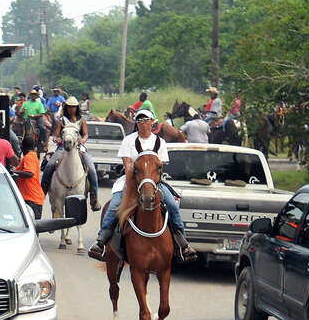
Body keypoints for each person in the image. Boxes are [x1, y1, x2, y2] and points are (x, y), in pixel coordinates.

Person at [87, 108, 197, 263]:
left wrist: (149, 180)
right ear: (136, 123)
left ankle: (183, 243)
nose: (143, 124)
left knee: (172, 204)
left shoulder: (160, 142)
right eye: (140, 121)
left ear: (152, 123)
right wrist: (137, 181)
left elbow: (160, 165)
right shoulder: (128, 140)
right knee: (114, 205)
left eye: (146, 121)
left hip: (154, 182)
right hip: (131, 180)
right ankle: (101, 241)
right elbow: (127, 164)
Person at [41, 96, 100, 211]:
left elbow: (86, 134)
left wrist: (82, 140)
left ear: (76, 108)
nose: (71, 109)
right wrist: (57, 139)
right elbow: (56, 135)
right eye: (69, 107)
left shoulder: (82, 119)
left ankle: (95, 197)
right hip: (63, 147)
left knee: (92, 169)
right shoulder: (62, 120)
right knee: (49, 166)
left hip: (79, 147)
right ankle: (42, 193)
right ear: (66, 107)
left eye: (73, 107)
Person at [12, 135, 45, 217]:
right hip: (30, 198)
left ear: (22, 147)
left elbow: (29, 173)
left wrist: (14, 171)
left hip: (31, 199)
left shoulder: (29, 157)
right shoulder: (31, 156)